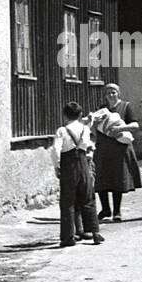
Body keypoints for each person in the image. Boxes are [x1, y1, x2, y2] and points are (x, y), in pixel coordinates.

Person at [51, 102, 104, 247]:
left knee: (68, 201)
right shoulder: (84, 129)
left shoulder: (62, 130)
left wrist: (57, 166)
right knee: (88, 198)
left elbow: (56, 150)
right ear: (81, 115)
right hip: (83, 163)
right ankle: (95, 232)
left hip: (68, 165)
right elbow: (88, 145)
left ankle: (68, 237)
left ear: (65, 115)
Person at [92, 84, 142, 222]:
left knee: (117, 179)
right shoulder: (102, 110)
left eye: (113, 92)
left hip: (119, 148)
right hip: (103, 148)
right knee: (101, 178)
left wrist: (120, 129)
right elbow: (93, 125)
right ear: (105, 95)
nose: (111, 95)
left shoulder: (126, 107)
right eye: (108, 93)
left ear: (118, 93)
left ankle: (117, 211)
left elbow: (135, 125)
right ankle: (105, 209)